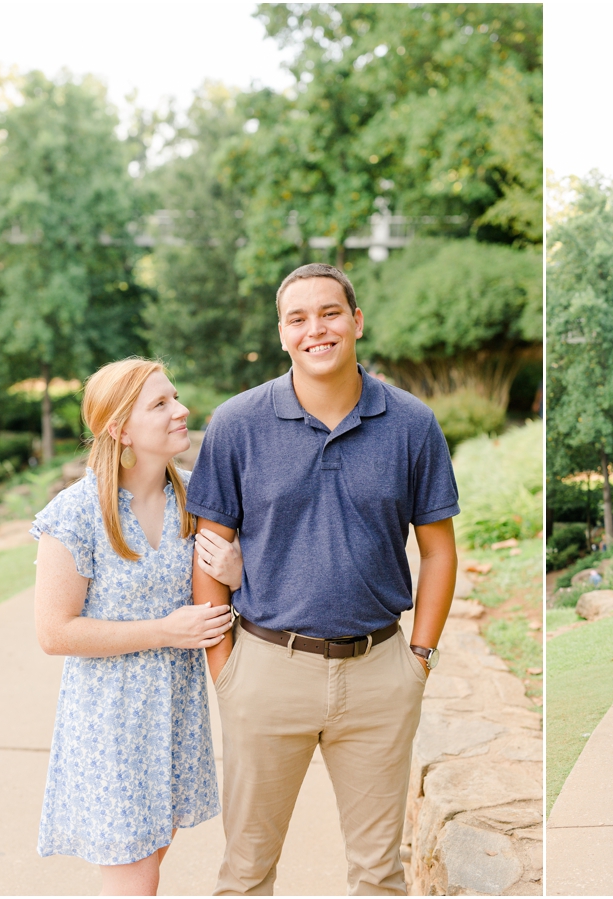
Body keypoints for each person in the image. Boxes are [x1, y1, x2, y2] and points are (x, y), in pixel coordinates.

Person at [187, 262, 460, 896]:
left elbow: (439, 552)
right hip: (264, 670)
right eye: (298, 318)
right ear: (282, 334)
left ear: (357, 321)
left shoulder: (412, 424)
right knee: (246, 873)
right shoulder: (237, 425)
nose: (317, 329)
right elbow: (209, 551)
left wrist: (419, 658)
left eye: (330, 313)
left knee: (379, 875)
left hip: (379, 675)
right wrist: (226, 670)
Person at [33, 358, 243, 896]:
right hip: (110, 723)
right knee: (135, 881)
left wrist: (239, 573)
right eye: (161, 404)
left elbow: (228, 596)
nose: (182, 411)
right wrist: (165, 631)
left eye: (175, 397)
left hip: (175, 716)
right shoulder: (76, 513)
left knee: (146, 867)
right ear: (120, 429)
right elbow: (55, 633)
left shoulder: (197, 501)